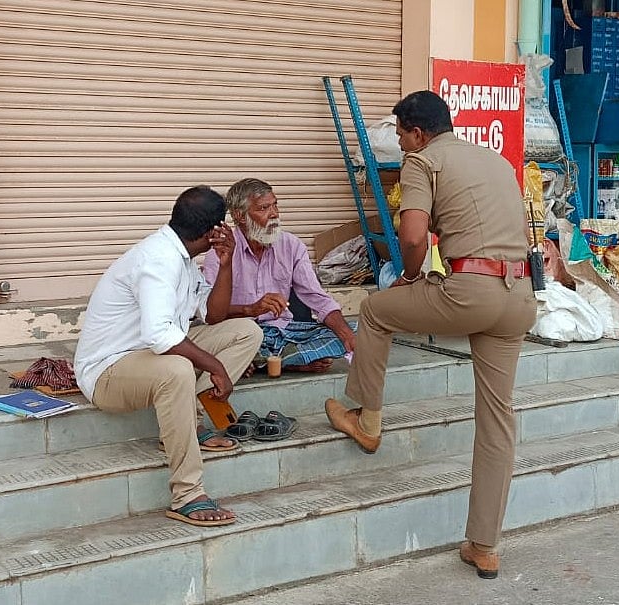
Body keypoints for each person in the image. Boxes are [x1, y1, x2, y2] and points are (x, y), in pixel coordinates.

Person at [323, 91, 536, 579]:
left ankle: (367, 419)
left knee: (376, 309)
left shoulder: (422, 162)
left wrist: (409, 277)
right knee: (497, 420)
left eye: (400, 135)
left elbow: (414, 235)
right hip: (519, 298)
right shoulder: (496, 160)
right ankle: (484, 546)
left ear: (418, 133)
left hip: (470, 291)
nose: (399, 143)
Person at [73, 186, 263, 527]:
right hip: (108, 371)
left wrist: (226, 264)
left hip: (147, 356)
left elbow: (214, 315)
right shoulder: (158, 260)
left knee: (247, 332)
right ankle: (187, 494)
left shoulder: (183, 257)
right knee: (177, 368)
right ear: (211, 231)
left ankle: (190, 422)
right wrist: (215, 366)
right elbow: (160, 335)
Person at [203, 178, 356, 374]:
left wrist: (347, 336)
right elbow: (209, 313)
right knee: (233, 342)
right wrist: (251, 309)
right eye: (263, 208)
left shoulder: (291, 245)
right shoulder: (220, 253)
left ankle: (265, 362)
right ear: (240, 216)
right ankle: (286, 360)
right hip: (242, 333)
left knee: (359, 330)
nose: (274, 214)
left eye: (275, 205)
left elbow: (317, 298)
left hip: (285, 332)